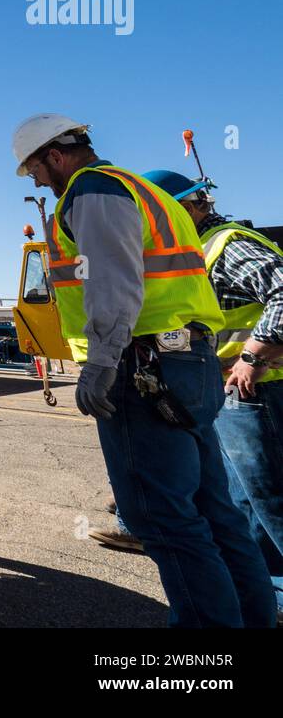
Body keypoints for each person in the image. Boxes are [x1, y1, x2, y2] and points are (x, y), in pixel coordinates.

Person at [12, 113, 273, 627]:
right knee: (215, 514)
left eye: (34, 170)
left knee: (166, 521)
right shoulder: (142, 190)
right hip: (186, 361)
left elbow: (112, 283)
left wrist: (100, 363)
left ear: (56, 156)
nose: (36, 180)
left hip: (143, 367)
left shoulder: (90, 192)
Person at [144, 168, 283, 619]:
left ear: (183, 208)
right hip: (231, 394)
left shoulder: (226, 245)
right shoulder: (194, 253)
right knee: (244, 507)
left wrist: (254, 357)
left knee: (272, 499)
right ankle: (269, 596)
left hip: (261, 391)